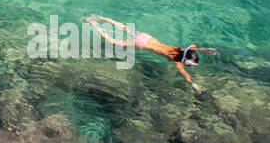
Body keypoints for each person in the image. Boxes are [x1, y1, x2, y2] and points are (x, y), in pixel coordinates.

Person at [83, 15, 217, 93]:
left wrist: (206, 50)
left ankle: (99, 17)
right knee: (113, 41)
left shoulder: (180, 50)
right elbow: (185, 75)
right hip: (142, 44)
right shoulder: (176, 60)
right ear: (185, 61)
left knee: (124, 27)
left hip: (147, 37)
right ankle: (94, 24)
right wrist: (193, 84)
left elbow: (193, 46)